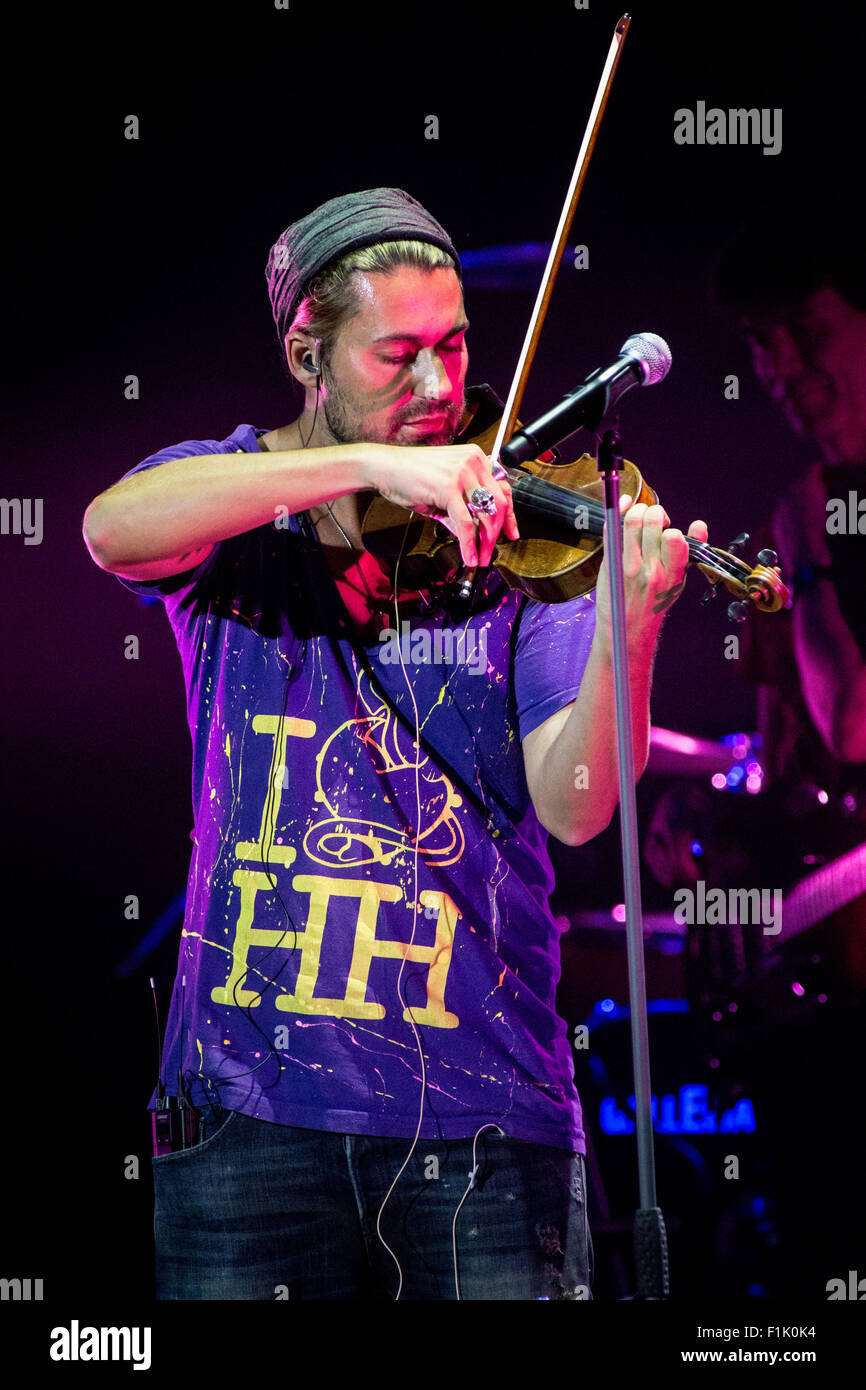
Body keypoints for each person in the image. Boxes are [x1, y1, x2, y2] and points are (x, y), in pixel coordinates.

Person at [83, 187, 705, 1301]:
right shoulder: (235, 501)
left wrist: (630, 622)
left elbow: (574, 805)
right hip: (245, 1112)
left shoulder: (522, 522)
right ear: (305, 355)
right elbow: (110, 528)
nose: (437, 388)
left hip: (485, 1115)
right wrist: (370, 470)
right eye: (396, 355)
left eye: (455, 346)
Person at [709, 197, 866, 1294]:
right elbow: (809, 747)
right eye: (762, 346)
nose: (781, 366)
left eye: (803, 330)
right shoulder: (795, 516)